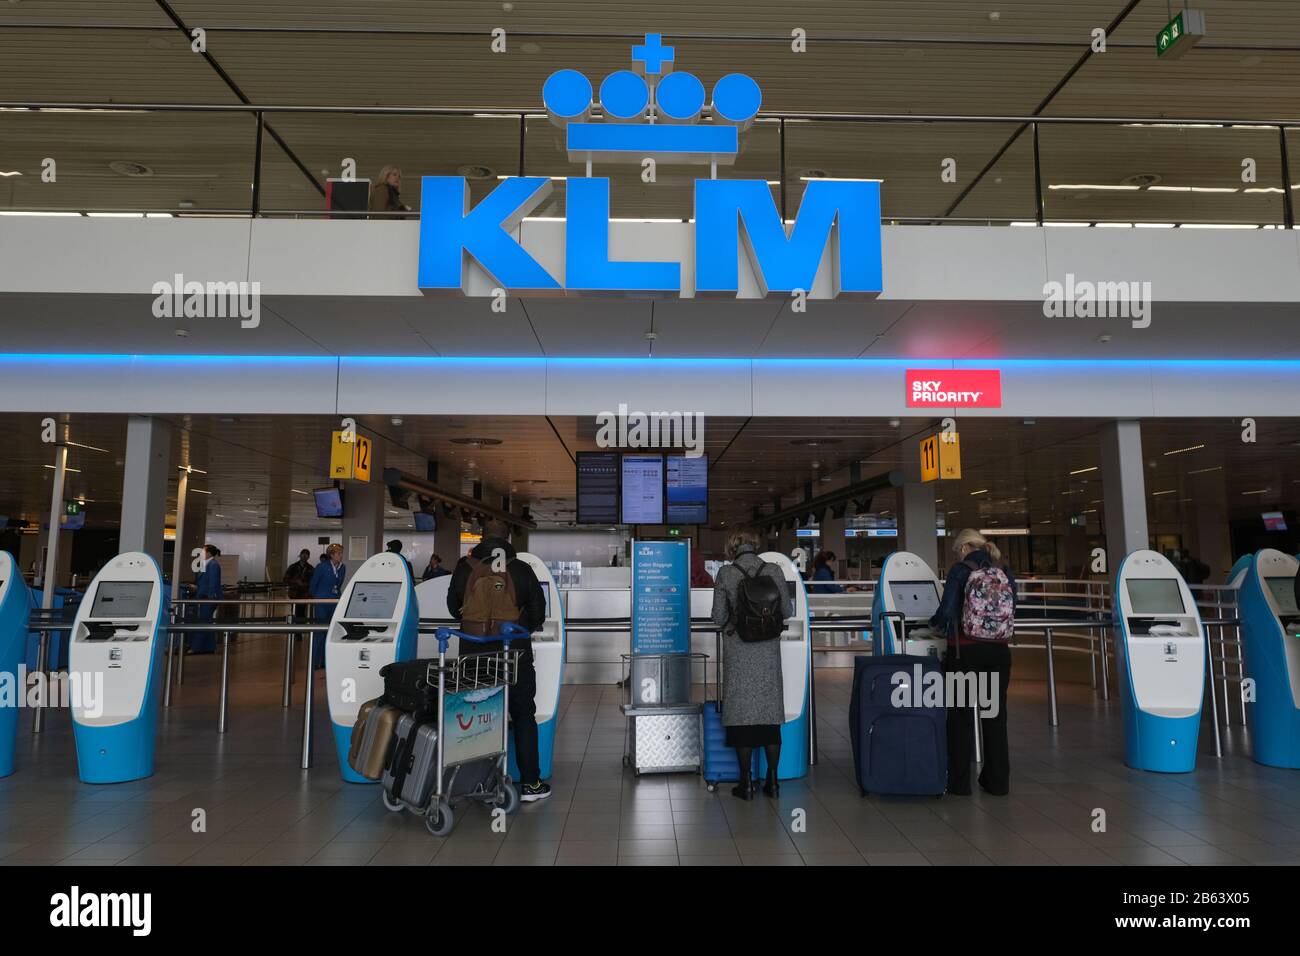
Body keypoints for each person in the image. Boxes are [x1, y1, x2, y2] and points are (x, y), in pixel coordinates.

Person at [447, 520, 551, 803]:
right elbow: (538, 613)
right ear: (508, 538)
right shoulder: (521, 569)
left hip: (474, 655)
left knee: (474, 714)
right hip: (514, 655)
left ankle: (474, 782)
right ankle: (530, 783)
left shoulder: (464, 567)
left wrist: (480, 628)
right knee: (523, 715)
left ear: (482, 538)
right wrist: (514, 630)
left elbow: (453, 607)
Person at [929, 529, 1016, 797]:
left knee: (960, 717)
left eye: (958, 550)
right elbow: (1014, 608)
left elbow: (946, 611)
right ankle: (997, 781)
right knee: (994, 717)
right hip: (999, 653)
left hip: (965, 654)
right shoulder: (1004, 569)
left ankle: (959, 783)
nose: (958, 554)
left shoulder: (960, 569)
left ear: (965, 546)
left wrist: (933, 626)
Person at [710, 530, 792, 800]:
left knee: (742, 719)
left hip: (739, 651)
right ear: (754, 545)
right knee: (770, 719)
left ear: (732, 547)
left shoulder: (726, 574)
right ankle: (773, 782)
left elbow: (718, 616)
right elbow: (787, 611)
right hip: (767, 651)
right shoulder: (774, 570)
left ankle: (745, 784)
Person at [308, 544, 346, 669]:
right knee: (319, 631)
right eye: (338, 553)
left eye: (341, 553)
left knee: (330, 631)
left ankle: (324, 660)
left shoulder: (342, 567)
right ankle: (314, 661)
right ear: (332, 555)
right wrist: (318, 598)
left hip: (334, 601)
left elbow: (338, 584)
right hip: (322, 601)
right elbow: (313, 585)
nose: (341, 556)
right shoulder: (322, 567)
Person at [190, 544, 222, 654]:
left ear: (208, 553)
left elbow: (213, 583)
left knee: (202, 622)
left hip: (208, 599)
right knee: (206, 621)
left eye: (203, 551)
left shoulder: (213, 565)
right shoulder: (207, 564)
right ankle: (209, 647)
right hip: (204, 597)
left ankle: (196, 648)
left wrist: (210, 597)